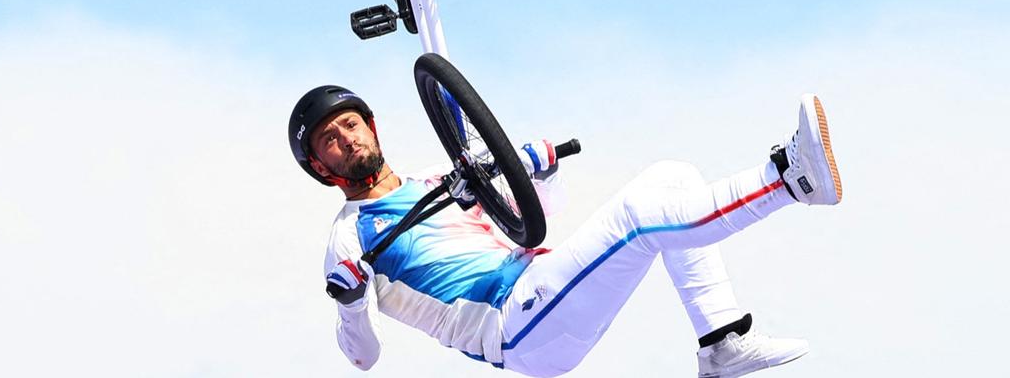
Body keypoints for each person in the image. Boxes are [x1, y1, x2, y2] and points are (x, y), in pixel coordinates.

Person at [288, 85, 844, 378]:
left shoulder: (440, 181)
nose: (348, 140)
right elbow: (362, 359)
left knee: (670, 176)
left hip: (539, 291)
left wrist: (534, 169)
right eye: (331, 140)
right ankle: (790, 180)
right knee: (641, 217)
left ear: (372, 127)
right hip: (514, 331)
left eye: (351, 125)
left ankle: (722, 343)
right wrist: (352, 302)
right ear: (320, 166)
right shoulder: (350, 238)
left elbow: (527, 225)